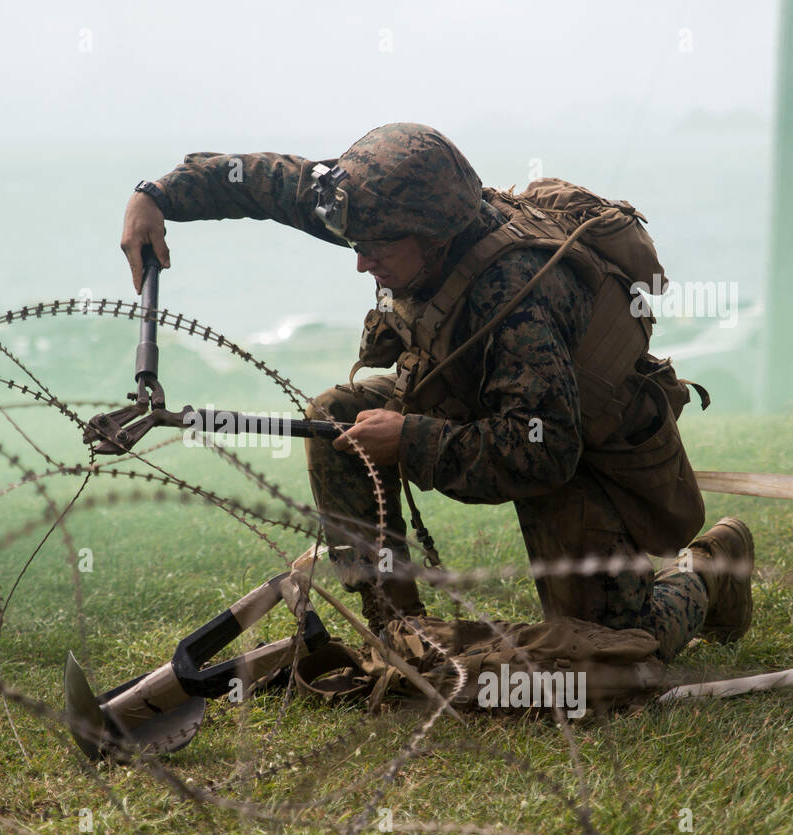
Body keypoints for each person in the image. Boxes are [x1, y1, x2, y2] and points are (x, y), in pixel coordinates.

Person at [119, 122, 753, 662]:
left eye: (376, 248)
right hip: (469, 396)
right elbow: (267, 182)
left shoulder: (518, 294)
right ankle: (395, 630)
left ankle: (715, 568)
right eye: (355, 242)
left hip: (574, 441)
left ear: (436, 236)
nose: (361, 263)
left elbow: (545, 449)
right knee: (337, 418)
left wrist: (412, 440)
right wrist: (156, 196)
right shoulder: (382, 211)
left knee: (616, 646)